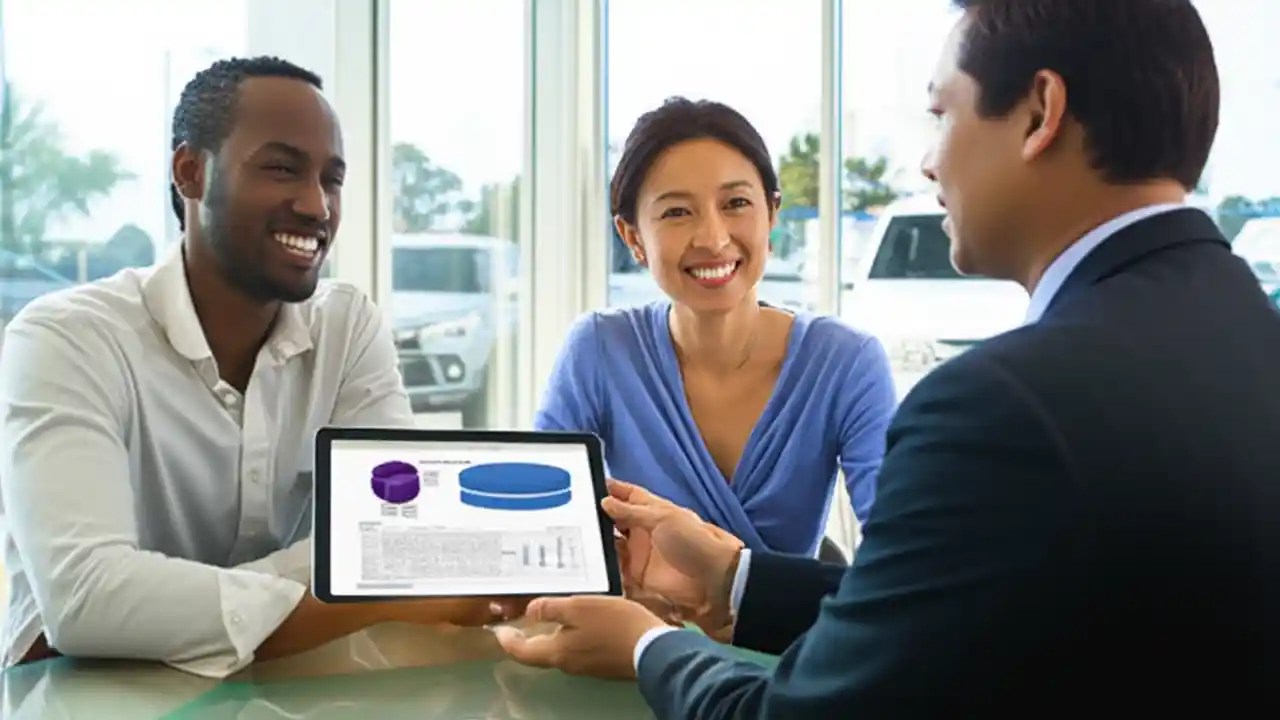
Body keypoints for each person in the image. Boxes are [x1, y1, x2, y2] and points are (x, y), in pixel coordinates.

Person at [495, 0, 1278, 714]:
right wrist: (735, 579)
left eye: (941, 113)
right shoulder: (1246, 335)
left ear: (1040, 112)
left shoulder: (1001, 406)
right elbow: (963, 610)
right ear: (633, 234)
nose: (929, 163)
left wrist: (644, 645)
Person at [0, 56, 515, 678]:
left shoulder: (345, 328)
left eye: (332, 179)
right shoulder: (66, 337)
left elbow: (395, 540)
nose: (316, 205)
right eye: (281, 168)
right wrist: (360, 591)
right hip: (81, 689)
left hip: (282, 686)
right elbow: (87, 601)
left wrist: (213, 599)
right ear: (190, 172)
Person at [535, 97, 896, 556]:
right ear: (632, 238)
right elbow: (542, 517)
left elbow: (899, 547)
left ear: (772, 214)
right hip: (635, 628)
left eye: (737, 203)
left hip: (792, 627)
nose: (713, 238)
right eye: (676, 212)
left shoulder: (847, 362)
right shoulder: (599, 349)